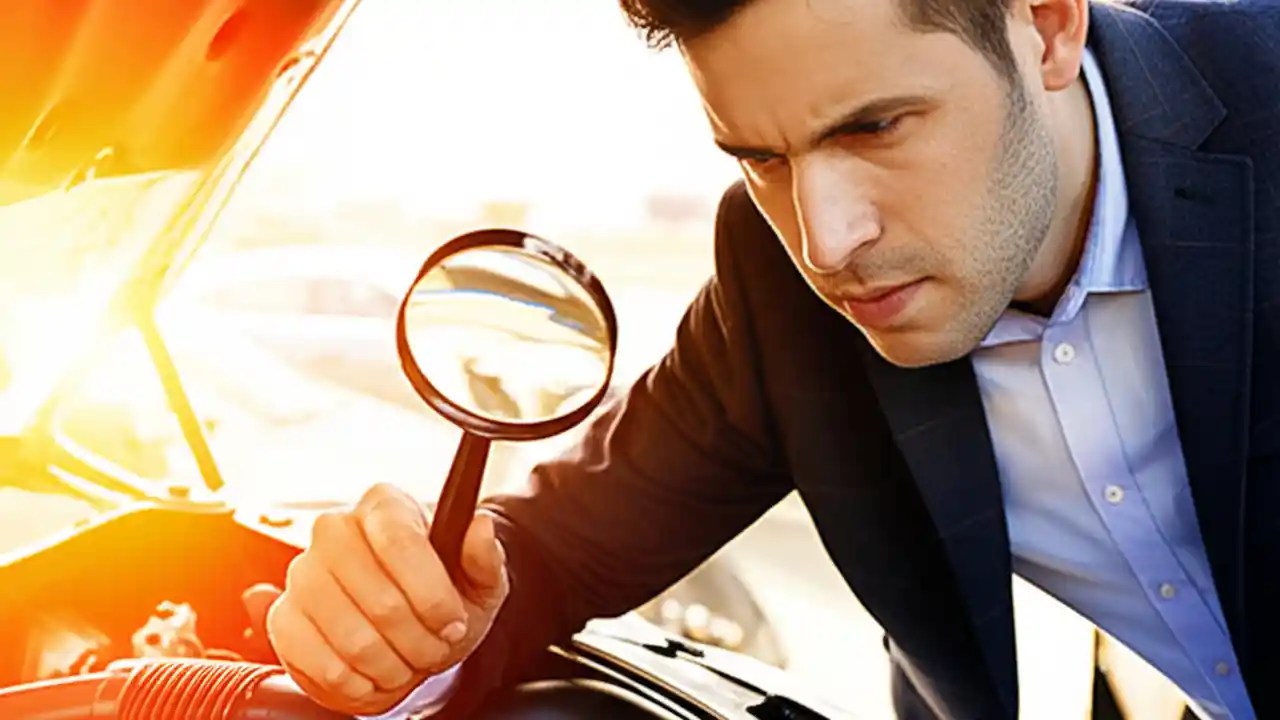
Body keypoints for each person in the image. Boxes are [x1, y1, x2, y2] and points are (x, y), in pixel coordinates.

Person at [260, 0, 1280, 717]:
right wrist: (401, 616)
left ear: (1047, 24)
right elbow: (549, 555)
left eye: (875, 127)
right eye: (760, 157)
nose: (825, 242)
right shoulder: (777, 285)